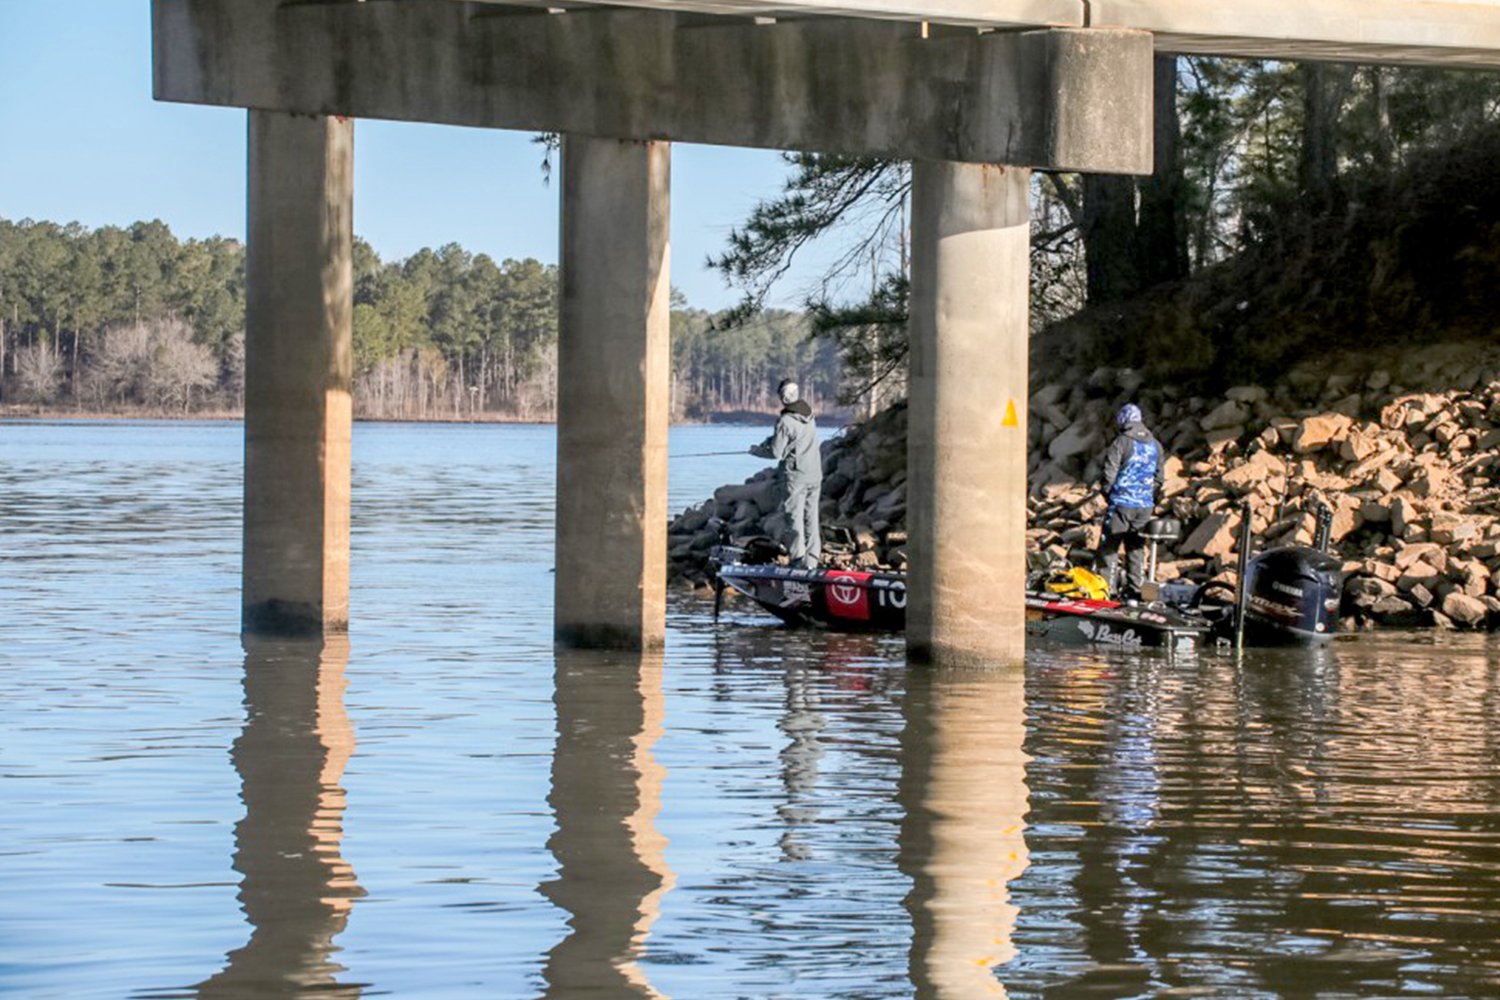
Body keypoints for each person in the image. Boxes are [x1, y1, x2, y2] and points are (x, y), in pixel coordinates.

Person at [750, 378, 823, 569]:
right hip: (815, 474)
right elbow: (791, 437)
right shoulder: (809, 414)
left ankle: (798, 562)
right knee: (811, 518)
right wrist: (771, 439)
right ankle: (812, 560)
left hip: (796, 477)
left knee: (794, 520)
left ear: (783, 397)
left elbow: (776, 453)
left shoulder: (785, 421)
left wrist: (756, 451)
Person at [1097, 402, 1166, 600]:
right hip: (1144, 507)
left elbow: (1109, 472)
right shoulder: (1156, 445)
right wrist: (1148, 498)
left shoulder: (1122, 442)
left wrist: (1109, 495)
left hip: (1121, 503)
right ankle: (1135, 591)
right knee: (1135, 549)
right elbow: (1160, 478)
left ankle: (1106, 593)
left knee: (1109, 549)